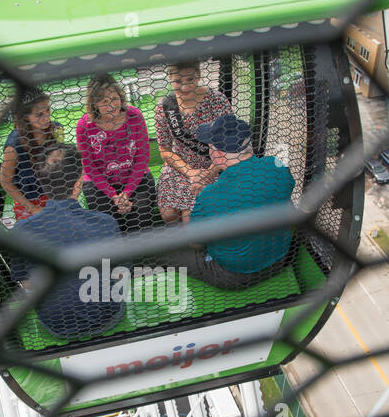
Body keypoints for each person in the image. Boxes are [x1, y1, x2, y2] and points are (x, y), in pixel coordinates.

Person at [7, 144, 125, 339]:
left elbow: (27, 284)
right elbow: (120, 275)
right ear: (80, 181)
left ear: (41, 182)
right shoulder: (106, 223)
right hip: (108, 317)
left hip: (56, 324)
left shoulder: (22, 230)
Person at [167, 115, 296, 289]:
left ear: (219, 155)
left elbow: (195, 242)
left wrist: (198, 198)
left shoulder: (209, 196)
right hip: (282, 258)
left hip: (235, 276)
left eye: (210, 147)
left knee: (168, 252)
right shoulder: (277, 165)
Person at [76, 74, 156, 233]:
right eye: (104, 102)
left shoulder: (134, 116)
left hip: (135, 179)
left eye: (114, 98)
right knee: (107, 222)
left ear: (121, 96)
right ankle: (112, 256)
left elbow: (142, 160)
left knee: (141, 217)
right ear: (94, 104)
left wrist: (126, 193)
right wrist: (114, 195)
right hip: (100, 184)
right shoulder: (85, 125)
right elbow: (89, 168)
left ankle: (136, 252)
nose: (111, 105)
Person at [154, 61, 231, 224]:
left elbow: (229, 144)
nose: (184, 87)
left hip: (213, 166)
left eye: (190, 80)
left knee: (192, 223)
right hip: (180, 166)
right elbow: (165, 150)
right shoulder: (165, 106)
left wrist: (207, 175)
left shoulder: (217, 101)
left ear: (199, 75)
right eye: (178, 82)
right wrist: (191, 173)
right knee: (168, 216)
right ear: (170, 79)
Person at [0, 89, 65, 220]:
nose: (47, 117)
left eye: (48, 110)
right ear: (25, 116)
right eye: (39, 114)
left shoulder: (56, 129)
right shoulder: (14, 145)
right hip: (29, 200)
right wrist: (32, 208)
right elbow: (6, 182)